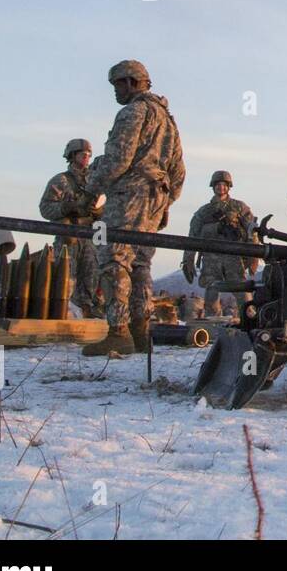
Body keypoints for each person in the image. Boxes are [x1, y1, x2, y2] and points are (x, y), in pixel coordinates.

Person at [83, 60, 186, 357]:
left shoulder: (133, 112)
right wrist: (166, 202)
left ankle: (118, 332)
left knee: (114, 258)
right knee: (140, 264)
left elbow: (119, 160)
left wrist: (92, 187)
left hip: (129, 196)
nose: (115, 91)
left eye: (117, 84)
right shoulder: (167, 119)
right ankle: (140, 332)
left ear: (131, 82)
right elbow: (178, 170)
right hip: (155, 199)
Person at [38, 138, 102, 317]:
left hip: (92, 238)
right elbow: (45, 208)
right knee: (66, 281)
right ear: (72, 156)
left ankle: (87, 313)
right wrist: (65, 208)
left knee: (92, 279)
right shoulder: (60, 181)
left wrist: (99, 211)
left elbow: (107, 208)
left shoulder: (96, 182)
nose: (86, 159)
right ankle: (64, 315)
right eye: (83, 155)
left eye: (89, 155)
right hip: (69, 238)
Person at [183, 171, 257, 317]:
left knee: (242, 293)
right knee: (211, 295)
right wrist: (188, 259)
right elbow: (193, 236)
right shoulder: (204, 212)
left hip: (234, 257)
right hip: (211, 258)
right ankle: (214, 326)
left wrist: (254, 255)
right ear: (213, 187)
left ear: (229, 187)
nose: (221, 188)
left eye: (224, 185)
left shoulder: (239, 207)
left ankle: (251, 321)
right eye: (218, 185)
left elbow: (251, 231)